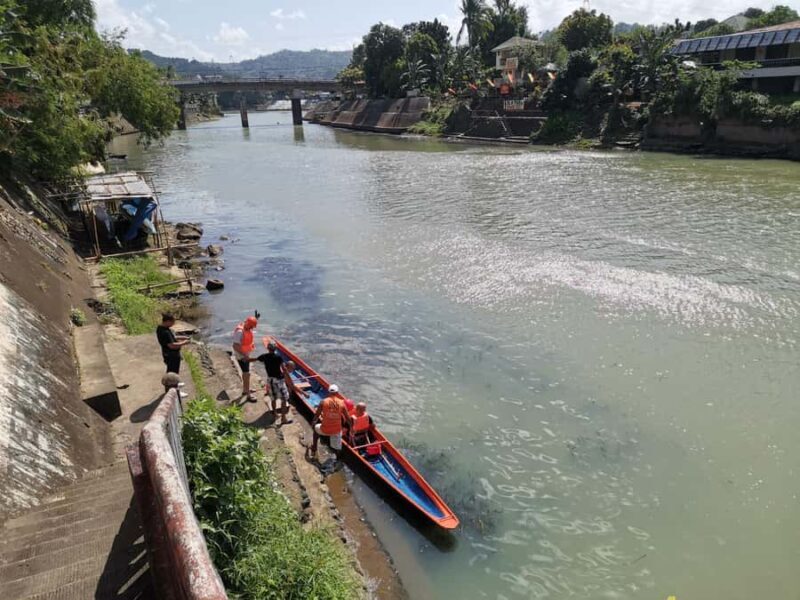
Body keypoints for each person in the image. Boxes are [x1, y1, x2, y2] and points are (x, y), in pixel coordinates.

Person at [251, 341, 293, 425]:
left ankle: (275, 414)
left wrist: (246, 360)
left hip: (270, 380)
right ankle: (283, 418)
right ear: (275, 349)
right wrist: (290, 380)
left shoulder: (264, 356)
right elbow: (284, 369)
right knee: (284, 399)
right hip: (279, 380)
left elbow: (254, 359)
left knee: (273, 398)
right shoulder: (278, 357)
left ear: (268, 348)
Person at [308, 384, 348, 458]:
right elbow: (348, 418)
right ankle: (337, 458)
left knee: (316, 429)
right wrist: (351, 429)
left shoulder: (323, 402)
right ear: (337, 393)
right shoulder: (342, 403)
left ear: (328, 392)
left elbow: (317, 415)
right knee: (337, 447)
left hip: (325, 429)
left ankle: (314, 448)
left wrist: (313, 423)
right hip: (336, 430)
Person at [232, 315, 258, 402]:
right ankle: (248, 395)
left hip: (245, 353)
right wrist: (244, 355)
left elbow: (250, 322)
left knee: (245, 372)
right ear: (247, 323)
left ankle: (245, 390)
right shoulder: (239, 332)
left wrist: (256, 318)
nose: (252, 328)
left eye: (252, 327)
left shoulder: (246, 325)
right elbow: (235, 346)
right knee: (247, 374)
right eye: (251, 326)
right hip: (241, 355)